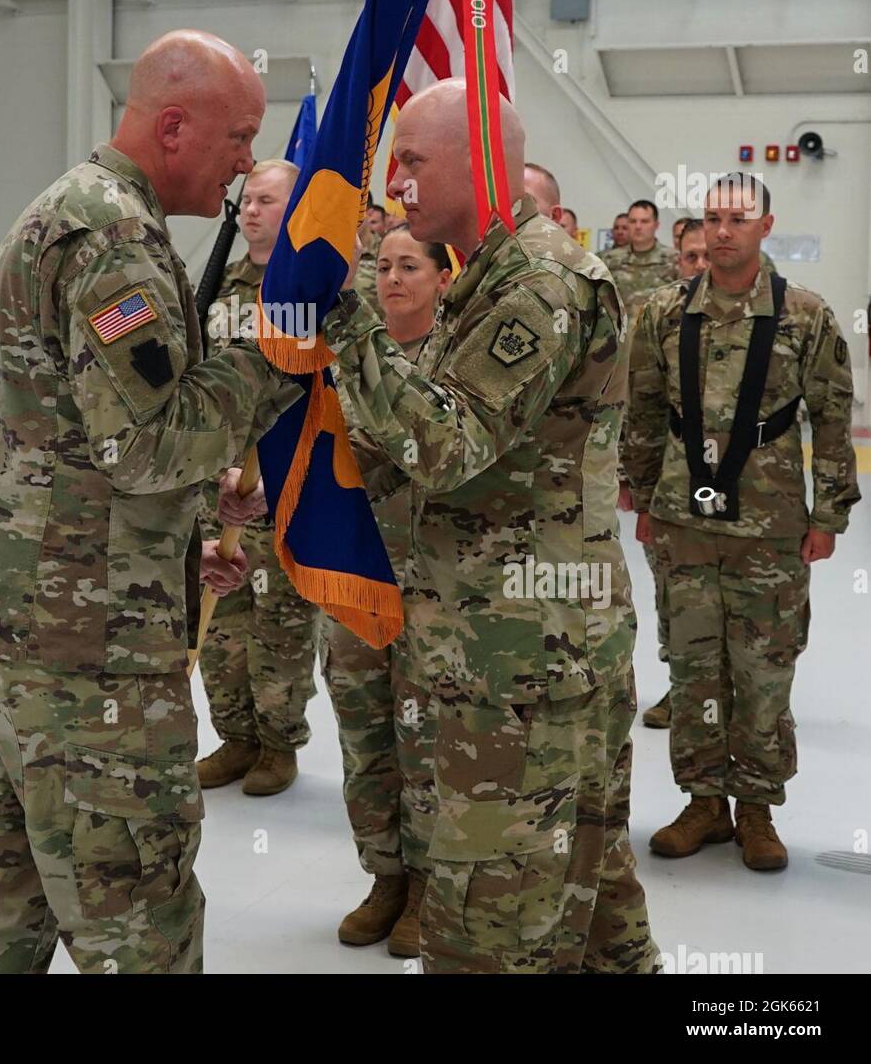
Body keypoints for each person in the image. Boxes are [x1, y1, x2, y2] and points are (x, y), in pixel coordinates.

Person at [0, 30, 302, 975]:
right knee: (136, 927)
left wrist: (169, 550)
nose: (246, 161)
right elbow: (147, 445)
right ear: (174, 125)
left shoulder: (65, 210)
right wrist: (273, 358)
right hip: (81, 666)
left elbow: (63, 439)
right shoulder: (114, 237)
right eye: (239, 137)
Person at [319, 82, 656, 974]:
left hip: (520, 653)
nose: (396, 183)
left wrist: (344, 312)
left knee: (485, 925)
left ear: (479, 160)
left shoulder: (539, 281)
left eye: (414, 161)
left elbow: (444, 443)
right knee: (588, 891)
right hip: (515, 642)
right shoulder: (486, 278)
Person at [624, 174, 859, 871]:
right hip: (681, 520)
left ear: (765, 226)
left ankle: (756, 809)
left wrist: (829, 514)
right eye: (711, 218)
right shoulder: (662, 314)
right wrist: (639, 498)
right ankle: (703, 803)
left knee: (762, 671)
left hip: (770, 524)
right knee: (693, 668)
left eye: (737, 218)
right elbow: (639, 413)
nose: (721, 230)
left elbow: (832, 420)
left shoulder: (804, 316)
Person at [323, 224, 449, 955]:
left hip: (433, 581)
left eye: (411, 266)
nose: (393, 278)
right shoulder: (340, 363)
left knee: (424, 737)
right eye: (383, 266)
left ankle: (429, 885)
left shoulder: (453, 364)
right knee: (364, 734)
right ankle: (384, 877)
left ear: (440, 278)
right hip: (354, 575)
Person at [197, 158, 321, 797]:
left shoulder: (309, 291)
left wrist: (283, 473)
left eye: (267, 201)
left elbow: (323, 396)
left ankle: (278, 743)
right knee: (220, 619)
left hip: (282, 484)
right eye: (246, 199)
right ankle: (235, 736)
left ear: (296, 208)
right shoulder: (219, 284)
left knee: (280, 624)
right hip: (216, 483)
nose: (249, 210)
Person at [639, 218, 709, 732]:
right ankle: (682, 686)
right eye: (691, 256)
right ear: (677, 260)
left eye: (707, 254)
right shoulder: (660, 315)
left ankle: (729, 693)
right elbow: (640, 404)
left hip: (746, 488)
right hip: (670, 480)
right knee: (673, 589)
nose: (701, 265)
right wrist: (636, 486)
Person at [601, 199, 677, 316]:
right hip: (622, 332)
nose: (638, 226)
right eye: (632, 221)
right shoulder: (610, 260)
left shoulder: (674, 259)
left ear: (656, 225)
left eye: (644, 221)